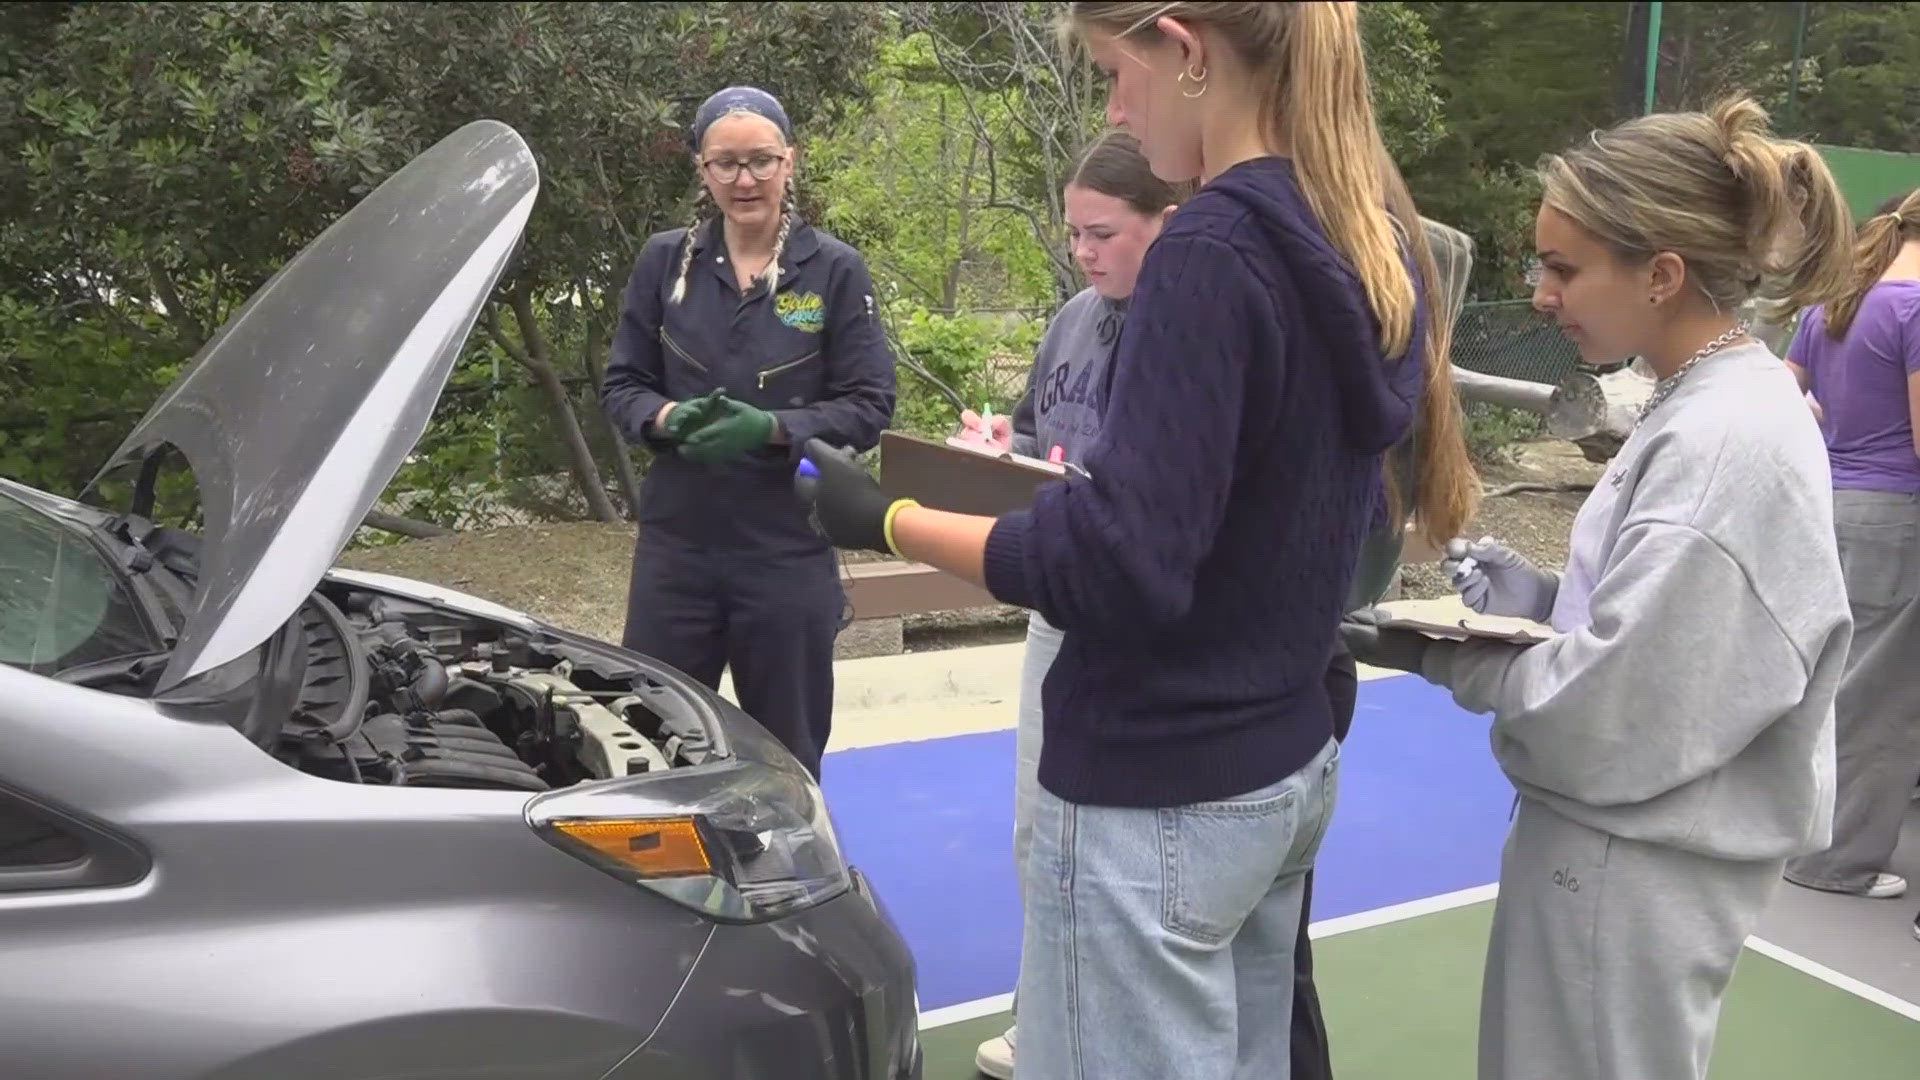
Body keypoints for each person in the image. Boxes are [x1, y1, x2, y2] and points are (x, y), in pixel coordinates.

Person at [798, 4, 1476, 1076]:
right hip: (1282, 763)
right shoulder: (1366, 233)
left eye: (1119, 72)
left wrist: (885, 519)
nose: (1115, 106)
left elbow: (1121, 565)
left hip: (1156, 788)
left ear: (1189, 48)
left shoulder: (1211, 246)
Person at [1342, 97, 1854, 1079]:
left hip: (1632, 863)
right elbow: (1670, 635)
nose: (1541, 294)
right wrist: (1546, 604)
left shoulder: (1722, 438)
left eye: (1565, 268)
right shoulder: (1707, 401)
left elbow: (1622, 708)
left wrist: (1454, 662)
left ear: (1662, 274)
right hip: (1629, 852)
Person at [957, 130, 1184, 1080]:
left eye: (1105, 233)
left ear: (1164, 226)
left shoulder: (1190, 333)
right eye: (1076, 236)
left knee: (1123, 850)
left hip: (1144, 625)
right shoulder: (1074, 318)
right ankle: (1042, 1013)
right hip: (1062, 604)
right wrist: (1002, 445)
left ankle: (1103, 1032)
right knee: (1036, 827)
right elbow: (1047, 439)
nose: (1086, 254)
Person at [600, 86, 896, 780]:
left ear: (789, 162)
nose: (744, 180)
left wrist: (773, 428)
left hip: (787, 550)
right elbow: (622, 386)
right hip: (679, 553)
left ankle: (789, 885)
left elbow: (869, 404)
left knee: (785, 757)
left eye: (760, 161)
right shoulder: (665, 263)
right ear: (702, 170)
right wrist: (668, 418)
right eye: (724, 164)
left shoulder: (833, 271)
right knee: (651, 741)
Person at [1778, 188, 1920, 906]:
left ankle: (1793, 828)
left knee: (1828, 682)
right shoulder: (1917, 309)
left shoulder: (1833, 303)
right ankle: (1836, 860)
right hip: (1897, 521)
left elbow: (1784, 396)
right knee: (1881, 698)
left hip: (1829, 506)